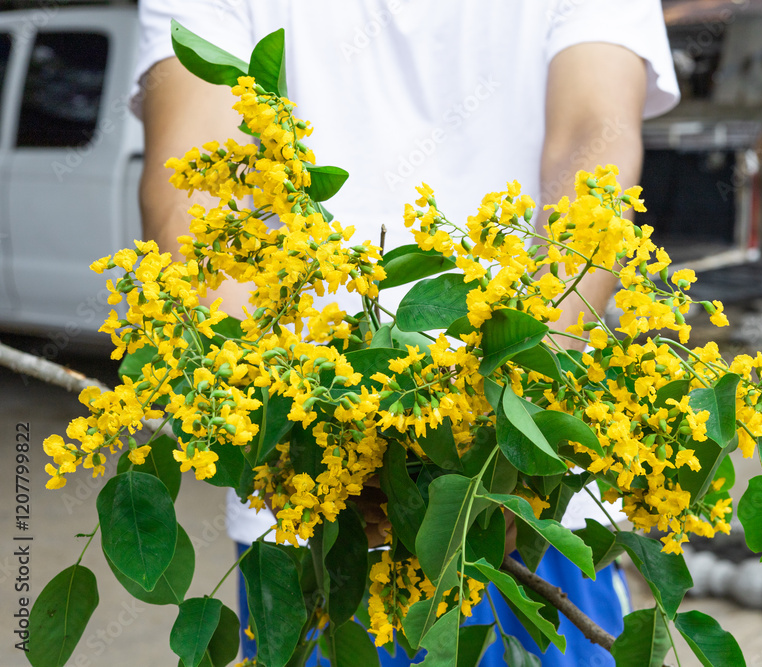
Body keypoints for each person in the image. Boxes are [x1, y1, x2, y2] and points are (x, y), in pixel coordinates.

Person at [131, 1, 679, 664]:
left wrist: (510, 436)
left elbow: (592, 142)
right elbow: (192, 186)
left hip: (519, 503)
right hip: (317, 510)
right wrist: (288, 424)